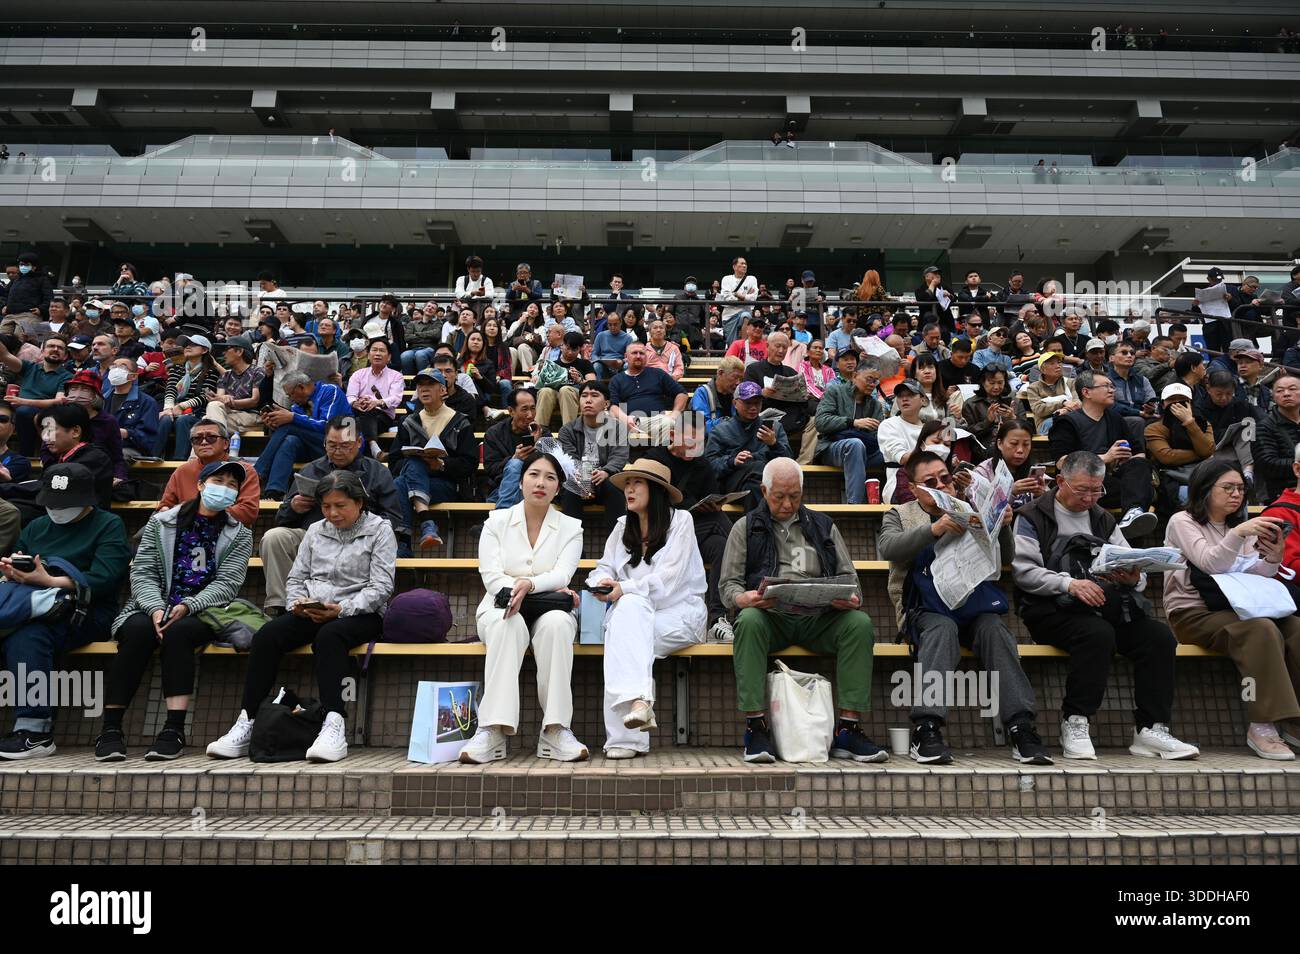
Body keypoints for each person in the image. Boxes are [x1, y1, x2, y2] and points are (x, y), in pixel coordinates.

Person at [1011, 451, 1198, 760]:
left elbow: (1126, 560)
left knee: (1158, 638)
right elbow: (1025, 572)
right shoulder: (1032, 516)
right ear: (1060, 481)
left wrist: (1132, 578)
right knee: (1097, 634)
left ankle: (1150, 729)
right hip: (1050, 609)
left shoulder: (1102, 517)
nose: (1090, 497)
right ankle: (1076, 720)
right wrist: (1069, 583)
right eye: (1082, 489)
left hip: (1104, 604)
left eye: (1096, 490)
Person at [207, 471, 396, 763]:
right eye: (326, 506)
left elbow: (381, 587)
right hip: (314, 609)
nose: (332, 513)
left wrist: (341, 609)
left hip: (362, 612)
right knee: (268, 636)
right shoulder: (315, 531)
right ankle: (249, 719)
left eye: (340, 505)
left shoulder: (381, 530)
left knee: (329, 636)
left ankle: (334, 723)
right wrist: (298, 604)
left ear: (359, 503)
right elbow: (296, 578)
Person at [878, 451, 1052, 765]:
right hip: (926, 607)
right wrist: (934, 529)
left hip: (974, 603)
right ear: (915, 489)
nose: (941, 485)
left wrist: (1003, 526)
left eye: (945, 478)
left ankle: (1020, 727)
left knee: (996, 631)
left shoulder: (973, 508)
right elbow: (888, 548)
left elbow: (1007, 558)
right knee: (942, 630)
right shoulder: (900, 513)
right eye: (930, 482)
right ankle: (927, 727)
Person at [720, 458, 885, 763]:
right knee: (749, 621)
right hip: (771, 617)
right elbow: (728, 586)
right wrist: (745, 599)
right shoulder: (746, 527)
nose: (787, 504)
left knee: (858, 624)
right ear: (763, 490)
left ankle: (848, 730)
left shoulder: (823, 526)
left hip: (818, 618)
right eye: (779, 496)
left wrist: (848, 598)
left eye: (794, 496)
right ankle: (755, 727)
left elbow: (852, 582)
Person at [96, 461, 254, 761]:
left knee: (178, 634)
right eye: (219, 480)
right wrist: (156, 607)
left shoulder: (240, 534)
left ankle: (173, 728)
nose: (225, 488)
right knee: (137, 632)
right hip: (152, 603)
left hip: (204, 610)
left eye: (232, 485)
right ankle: (110, 728)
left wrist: (188, 605)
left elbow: (228, 583)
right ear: (201, 484)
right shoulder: (162, 522)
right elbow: (143, 572)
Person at [1163, 460, 1300, 760]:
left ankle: (1296, 724)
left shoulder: (1240, 527)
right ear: (1204, 489)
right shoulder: (1182, 521)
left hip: (1240, 605)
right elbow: (1210, 562)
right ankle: (1262, 725)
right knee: (1261, 630)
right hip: (1193, 612)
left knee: (1296, 628)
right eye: (1228, 488)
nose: (1236, 494)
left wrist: (1274, 558)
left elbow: (1254, 577)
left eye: (1240, 488)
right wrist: (1238, 535)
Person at [458, 451, 587, 764]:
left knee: (557, 626)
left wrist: (528, 584)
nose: (541, 483)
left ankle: (556, 729)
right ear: (520, 481)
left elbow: (563, 574)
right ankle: (492, 729)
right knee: (507, 624)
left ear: (559, 488)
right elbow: (490, 574)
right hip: (500, 605)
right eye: (534, 474)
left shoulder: (571, 527)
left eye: (550, 478)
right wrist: (515, 591)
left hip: (548, 608)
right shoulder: (496, 522)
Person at [0, 464, 131, 759]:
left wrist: (49, 580)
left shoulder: (108, 524)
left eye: (65, 503)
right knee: (18, 628)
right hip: (29, 603)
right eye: (52, 503)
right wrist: (13, 572)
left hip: (87, 611)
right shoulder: (36, 526)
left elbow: (105, 578)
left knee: (29, 635)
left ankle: (35, 731)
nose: (57, 510)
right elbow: (20, 559)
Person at [586, 459, 707, 758]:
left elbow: (669, 582)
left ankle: (625, 740)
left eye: (636, 483)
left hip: (680, 614)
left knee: (622, 627)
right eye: (627, 483)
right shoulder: (620, 527)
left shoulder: (681, 522)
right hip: (634, 617)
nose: (628, 489)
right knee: (626, 620)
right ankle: (640, 704)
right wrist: (602, 580)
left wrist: (623, 589)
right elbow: (603, 567)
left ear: (656, 490)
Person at [262, 416, 406, 614]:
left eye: (345, 445)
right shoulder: (311, 470)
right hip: (314, 539)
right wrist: (293, 507)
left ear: (359, 442)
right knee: (274, 537)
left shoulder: (377, 472)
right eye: (332, 445)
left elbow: (393, 516)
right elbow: (282, 518)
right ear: (324, 443)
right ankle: (283, 607)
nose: (338, 451)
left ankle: (342, 607)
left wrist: (357, 517)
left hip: (358, 541)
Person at [1047, 369, 1157, 539]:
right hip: (1084, 486)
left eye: (1112, 386)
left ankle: (1132, 515)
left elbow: (1138, 453)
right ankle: (1131, 521)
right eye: (1106, 386)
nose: (1112, 390)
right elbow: (1062, 462)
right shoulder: (1067, 422)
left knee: (1141, 466)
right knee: (1141, 491)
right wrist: (1106, 457)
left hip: (1116, 482)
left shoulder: (1114, 418)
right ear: (1086, 392)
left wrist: (1126, 460)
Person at [391, 369, 478, 552]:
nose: (424, 389)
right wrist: (419, 462)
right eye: (420, 385)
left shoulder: (460, 422)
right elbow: (394, 461)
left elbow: (470, 463)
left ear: (442, 390)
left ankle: (405, 542)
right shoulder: (408, 422)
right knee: (407, 471)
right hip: (415, 480)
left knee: (402, 482)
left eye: (430, 385)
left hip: (445, 484)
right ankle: (426, 525)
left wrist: (441, 465)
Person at [252, 370, 351, 500]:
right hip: (315, 448)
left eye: (290, 394)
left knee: (289, 426)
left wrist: (293, 418)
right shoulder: (297, 406)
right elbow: (298, 430)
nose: (290, 399)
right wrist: (274, 425)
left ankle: (257, 473)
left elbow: (328, 426)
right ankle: (274, 492)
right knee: (290, 440)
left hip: (339, 444)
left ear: (301, 387)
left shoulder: (330, 391)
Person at [704, 380, 792, 509]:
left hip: (763, 485)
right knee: (757, 466)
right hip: (732, 483)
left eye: (757, 403)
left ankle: (757, 527)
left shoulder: (774, 428)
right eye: (747, 403)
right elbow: (710, 466)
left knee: (753, 485)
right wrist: (732, 461)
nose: (753, 407)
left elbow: (789, 462)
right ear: (735, 403)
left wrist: (774, 444)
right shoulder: (720, 430)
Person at [158, 418, 261, 526]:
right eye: (197, 438)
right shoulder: (182, 471)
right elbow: (165, 507)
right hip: (183, 533)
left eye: (211, 437)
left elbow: (248, 513)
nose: (203, 442)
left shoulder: (244, 470)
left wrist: (199, 513)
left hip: (228, 534)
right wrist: (166, 511)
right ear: (192, 445)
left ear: (226, 443)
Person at [814, 361, 886, 504]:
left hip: (866, 452)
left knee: (893, 453)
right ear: (854, 376)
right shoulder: (835, 392)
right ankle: (855, 503)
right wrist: (853, 422)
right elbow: (821, 422)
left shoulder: (875, 404)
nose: (872, 384)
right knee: (855, 444)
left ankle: (895, 501)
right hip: (832, 446)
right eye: (869, 379)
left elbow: (877, 436)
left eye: (875, 381)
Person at [557, 380, 627, 520]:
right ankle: (571, 539)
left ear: (606, 404)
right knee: (571, 487)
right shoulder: (567, 430)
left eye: (594, 395)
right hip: (578, 480)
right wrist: (580, 473)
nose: (588, 400)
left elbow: (619, 456)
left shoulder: (618, 428)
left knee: (612, 486)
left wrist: (606, 471)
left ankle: (618, 540)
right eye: (584, 396)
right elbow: (569, 457)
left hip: (605, 481)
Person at [1145, 383, 1215, 509]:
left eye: (1182, 400)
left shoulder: (1203, 424)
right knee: (1197, 499)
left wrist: (1189, 422)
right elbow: (1167, 457)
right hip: (1172, 480)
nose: (1177, 404)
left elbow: (1207, 451)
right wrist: (1200, 454)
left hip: (1204, 476)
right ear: (1163, 404)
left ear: (1190, 404)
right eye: (1171, 400)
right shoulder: (1154, 428)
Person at [0, 334, 72, 455]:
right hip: (16, 408)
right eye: (51, 346)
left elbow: (58, 401)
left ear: (65, 356)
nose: (55, 349)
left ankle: (25, 454)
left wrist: (23, 401)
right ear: (42, 351)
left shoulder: (67, 376)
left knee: (24, 411)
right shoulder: (29, 367)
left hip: (45, 413)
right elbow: (4, 355)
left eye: (60, 348)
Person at [154, 333, 221, 460]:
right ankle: (152, 455)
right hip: (174, 409)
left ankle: (180, 459)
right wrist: (168, 408)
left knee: (183, 420)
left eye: (193, 344)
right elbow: (170, 389)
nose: (188, 347)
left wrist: (182, 406)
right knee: (166, 418)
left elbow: (205, 396)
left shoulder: (211, 371)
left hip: (197, 413)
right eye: (186, 345)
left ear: (205, 350)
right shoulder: (177, 368)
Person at [608, 341, 687, 444]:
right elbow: (613, 405)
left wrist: (675, 413)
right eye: (634, 353)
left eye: (642, 353)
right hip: (631, 421)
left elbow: (682, 394)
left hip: (658, 421)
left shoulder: (657, 374)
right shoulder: (617, 379)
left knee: (670, 424)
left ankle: (658, 457)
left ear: (646, 356)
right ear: (626, 356)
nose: (638, 356)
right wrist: (625, 418)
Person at [484, 387, 549, 508]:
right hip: (502, 487)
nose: (530, 415)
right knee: (515, 464)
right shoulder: (494, 433)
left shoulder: (543, 433)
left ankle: (502, 515)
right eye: (524, 409)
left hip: (536, 487)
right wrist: (514, 458)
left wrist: (538, 444)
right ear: (511, 411)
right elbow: (491, 469)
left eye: (533, 408)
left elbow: (552, 467)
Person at [974, 418, 1048, 510]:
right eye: (1014, 443)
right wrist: (1011, 493)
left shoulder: (1036, 474)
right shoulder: (983, 473)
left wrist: (1040, 495)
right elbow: (980, 512)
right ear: (1000, 444)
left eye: (1026, 444)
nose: (1020, 450)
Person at [345, 338, 403, 452]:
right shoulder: (358, 374)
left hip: (382, 416)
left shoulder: (396, 376)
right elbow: (350, 396)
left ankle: (348, 452)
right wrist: (355, 403)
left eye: (382, 350)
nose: (377, 354)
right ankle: (373, 445)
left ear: (389, 357)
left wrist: (376, 402)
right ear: (368, 354)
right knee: (357, 416)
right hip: (359, 411)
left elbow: (395, 398)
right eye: (374, 350)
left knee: (350, 424)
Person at [876, 378, 927, 504]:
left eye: (910, 395)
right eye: (900, 396)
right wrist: (935, 451)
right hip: (900, 486)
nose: (904, 399)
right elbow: (903, 458)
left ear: (923, 400)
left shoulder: (930, 428)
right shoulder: (889, 425)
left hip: (931, 483)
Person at [205, 336, 265, 436]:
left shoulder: (257, 372)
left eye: (226, 349)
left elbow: (254, 401)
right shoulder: (225, 375)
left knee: (206, 423)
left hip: (251, 415)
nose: (223, 353)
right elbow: (219, 400)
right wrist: (220, 398)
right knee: (209, 420)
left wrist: (230, 402)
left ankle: (216, 446)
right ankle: (218, 447)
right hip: (229, 414)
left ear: (239, 351)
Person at [534, 331, 595, 427]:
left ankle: (568, 432)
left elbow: (593, 385)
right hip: (553, 397)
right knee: (545, 391)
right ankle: (538, 430)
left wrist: (580, 381)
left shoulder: (585, 364)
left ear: (579, 349)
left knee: (565, 390)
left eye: (574, 349)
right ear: (562, 346)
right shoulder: (553, 364)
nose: (570, 352)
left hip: (574, 397)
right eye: (568, 348)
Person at [104, 357, 160, 459]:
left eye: (122, 367)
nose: (116, 370)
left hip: (130, 448)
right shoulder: (102, 400)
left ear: (133, 376)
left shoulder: (147, 402)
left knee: (116, 455)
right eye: (114, 366)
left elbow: (149, 438)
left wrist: (126, 433)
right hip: (102, 446)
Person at [1258, 373, 1300, 503]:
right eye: (1280, 391)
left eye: (1292, 389)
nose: (1286, 394)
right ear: (1273, 396)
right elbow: (1268, 464)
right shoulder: (1264, 427)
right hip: (1283, 494)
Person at [961, 366, 1017, 461]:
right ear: (983, 382)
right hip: (983, 450)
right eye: (991, 383)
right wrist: (987, 422)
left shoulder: (1014, 402)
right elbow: (968, 433)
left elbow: (1027, 430)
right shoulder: (971, 404)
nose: (996, 387)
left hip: (1012, 447)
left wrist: (1013, 419)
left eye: (1000, 383)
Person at [1022, 351, 1079, 434]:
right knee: (1059, 423)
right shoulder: (1033, 388)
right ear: (1043, 370)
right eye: (1052, 364)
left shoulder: (1071, 382)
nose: (1058, 366)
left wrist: (1066, 410)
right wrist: (1063, 403)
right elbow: (1038, 409)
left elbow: (1077, 402)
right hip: (1046, 423)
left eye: (1059, 362)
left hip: (1069, 416)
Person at [689, 356, 743, 436]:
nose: (738, 382)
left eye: (741, 379)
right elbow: (700, 427)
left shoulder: (737, 394)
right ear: (720, 373)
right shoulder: (702, 393)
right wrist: (729, 422)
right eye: (735, 377)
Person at [1107, 341, 1158, 420]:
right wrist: (1139, 413)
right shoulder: (1105, 379)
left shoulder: (1143, 380)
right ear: (1111, 358)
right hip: (1115, 418)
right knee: (1137, 420)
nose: (1129, 355)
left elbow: (1153, 403)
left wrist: (1151, 409)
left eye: (1132, 353)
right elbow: (1109, 405)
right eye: (1124, 353)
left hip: (1142, 417)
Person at [718, 256, 758, 345]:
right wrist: (745, 297)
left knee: (746, 315)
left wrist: (739, 295)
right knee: (731, 343)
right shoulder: (726, 279)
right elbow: (726, 297)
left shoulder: (752, 279)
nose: (744, 266)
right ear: (734, 266)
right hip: (729, 315)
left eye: (745, 264)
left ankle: (745, 347)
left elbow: (754, 297)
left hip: (745, 312)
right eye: (742, 263)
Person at [591, 308, 634, 381]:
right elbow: (594, 354)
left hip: (620, 365)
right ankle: (597, 388)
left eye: (615, 324)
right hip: (604, 365)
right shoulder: (601, 335)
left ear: (620, 323)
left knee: (628, 366)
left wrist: (622, 361)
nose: (612, 327)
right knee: (596, 366)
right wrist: (599, 360)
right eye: (610, 325)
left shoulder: (628, 338)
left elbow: (630, 356)